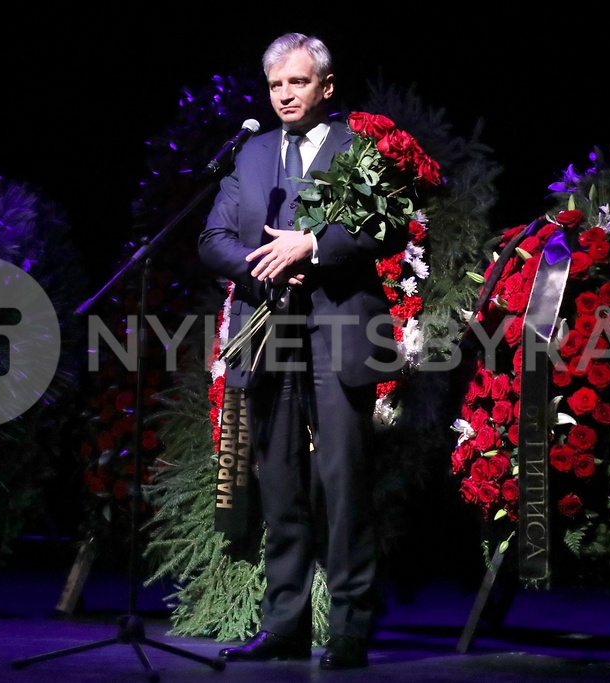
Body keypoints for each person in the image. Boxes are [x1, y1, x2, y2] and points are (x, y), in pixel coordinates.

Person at [198, 32, 408, 670]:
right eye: (276, 85)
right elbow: (213, 238)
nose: (286, 94)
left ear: (326, 86)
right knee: (281, 483)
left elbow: (388, 228)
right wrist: (262, 265)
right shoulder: (252, 153)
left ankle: (349, 628)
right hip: (268, 332)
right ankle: (284, 625)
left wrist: (312, 247)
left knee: (343, 483)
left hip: (338, 329)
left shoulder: (358, 149)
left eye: (298, 82)